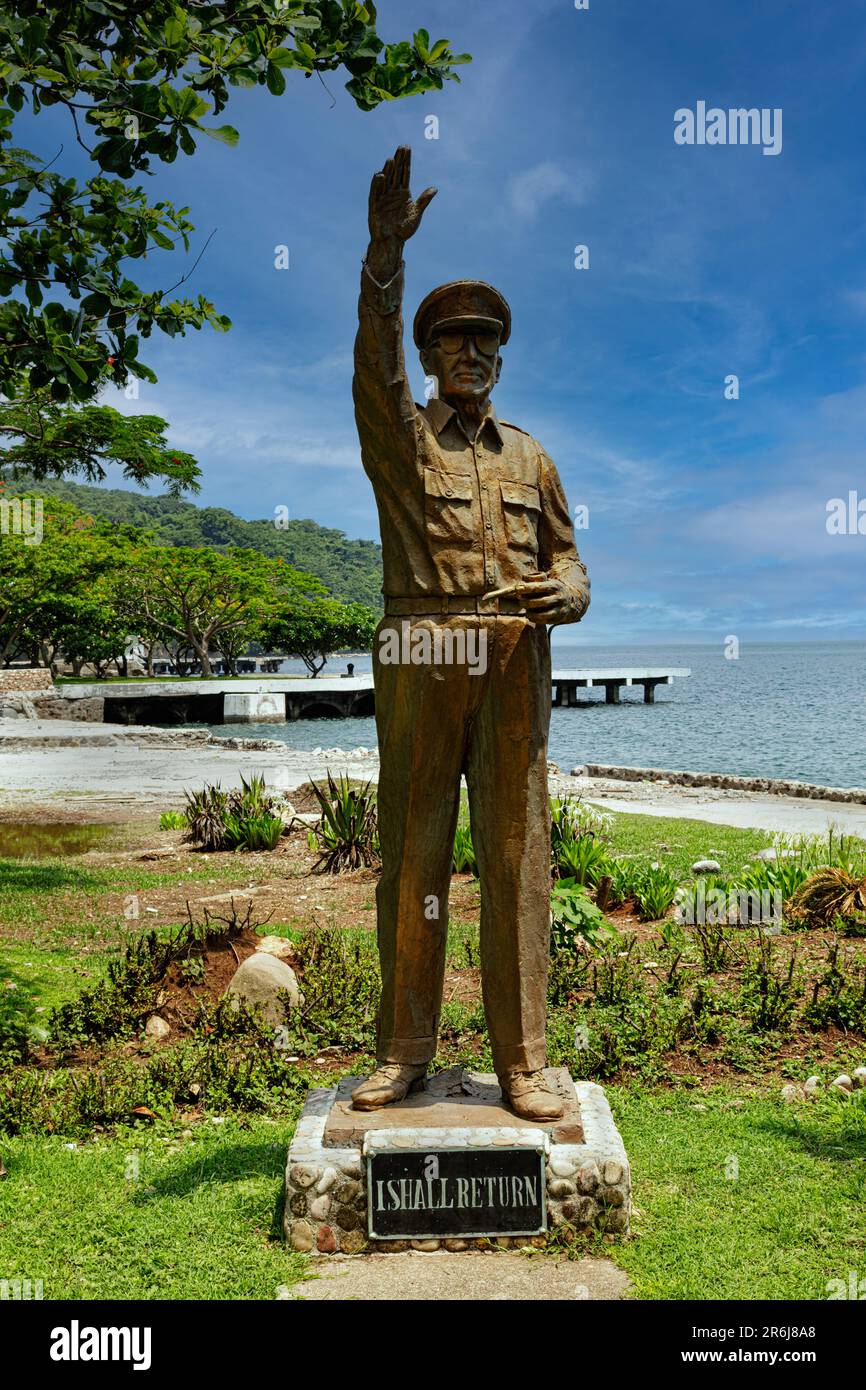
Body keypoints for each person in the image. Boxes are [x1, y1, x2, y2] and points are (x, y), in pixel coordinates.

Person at [351, 147, 590, 1120]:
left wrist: (569, 591)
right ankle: (403, 1053)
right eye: (452, 341)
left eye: (484, 342)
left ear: (498, 355)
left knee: (515, 854)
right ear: (431, 354)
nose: (470, 353)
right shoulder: (402, 439)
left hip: (513, 661)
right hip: (422, 651)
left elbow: (571, 560)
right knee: (415, 855)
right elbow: (371, 366)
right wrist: (381, 261)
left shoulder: (531, 456)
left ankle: (523, 1059)